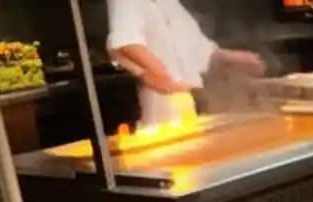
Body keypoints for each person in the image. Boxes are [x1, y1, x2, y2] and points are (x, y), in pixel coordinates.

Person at [107, 0, 266, 125]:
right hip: (161, 99)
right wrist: (161, 75)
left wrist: (235, 58)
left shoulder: (169, 3)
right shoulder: (126, 1)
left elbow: (196, 44)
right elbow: (126, 43)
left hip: (185, 97)